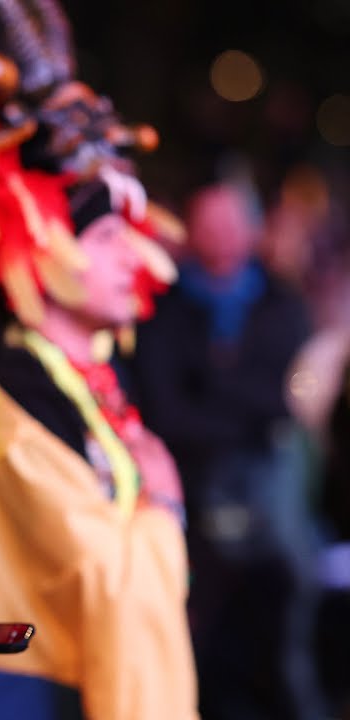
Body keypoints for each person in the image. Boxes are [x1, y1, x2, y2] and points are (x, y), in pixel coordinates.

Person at [0, 181, 197, 720]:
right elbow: (103, 574)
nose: (133, 256)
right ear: (40, 252)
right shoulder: (17, 405)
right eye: (107, 236)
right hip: (23, 694)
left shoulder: (81, 380)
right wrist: (164, 509)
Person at [132, 181, 319, 720]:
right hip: (192, 482)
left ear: (253, 229)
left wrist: (212, 383)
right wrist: (241, 401)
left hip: (268, 478)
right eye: (208, 225)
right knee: (199, 621)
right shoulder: (164, 307)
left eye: (230, 223)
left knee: (284, 607)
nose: (220, 237)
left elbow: (287, 398)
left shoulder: (282, 301)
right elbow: (164, 404)